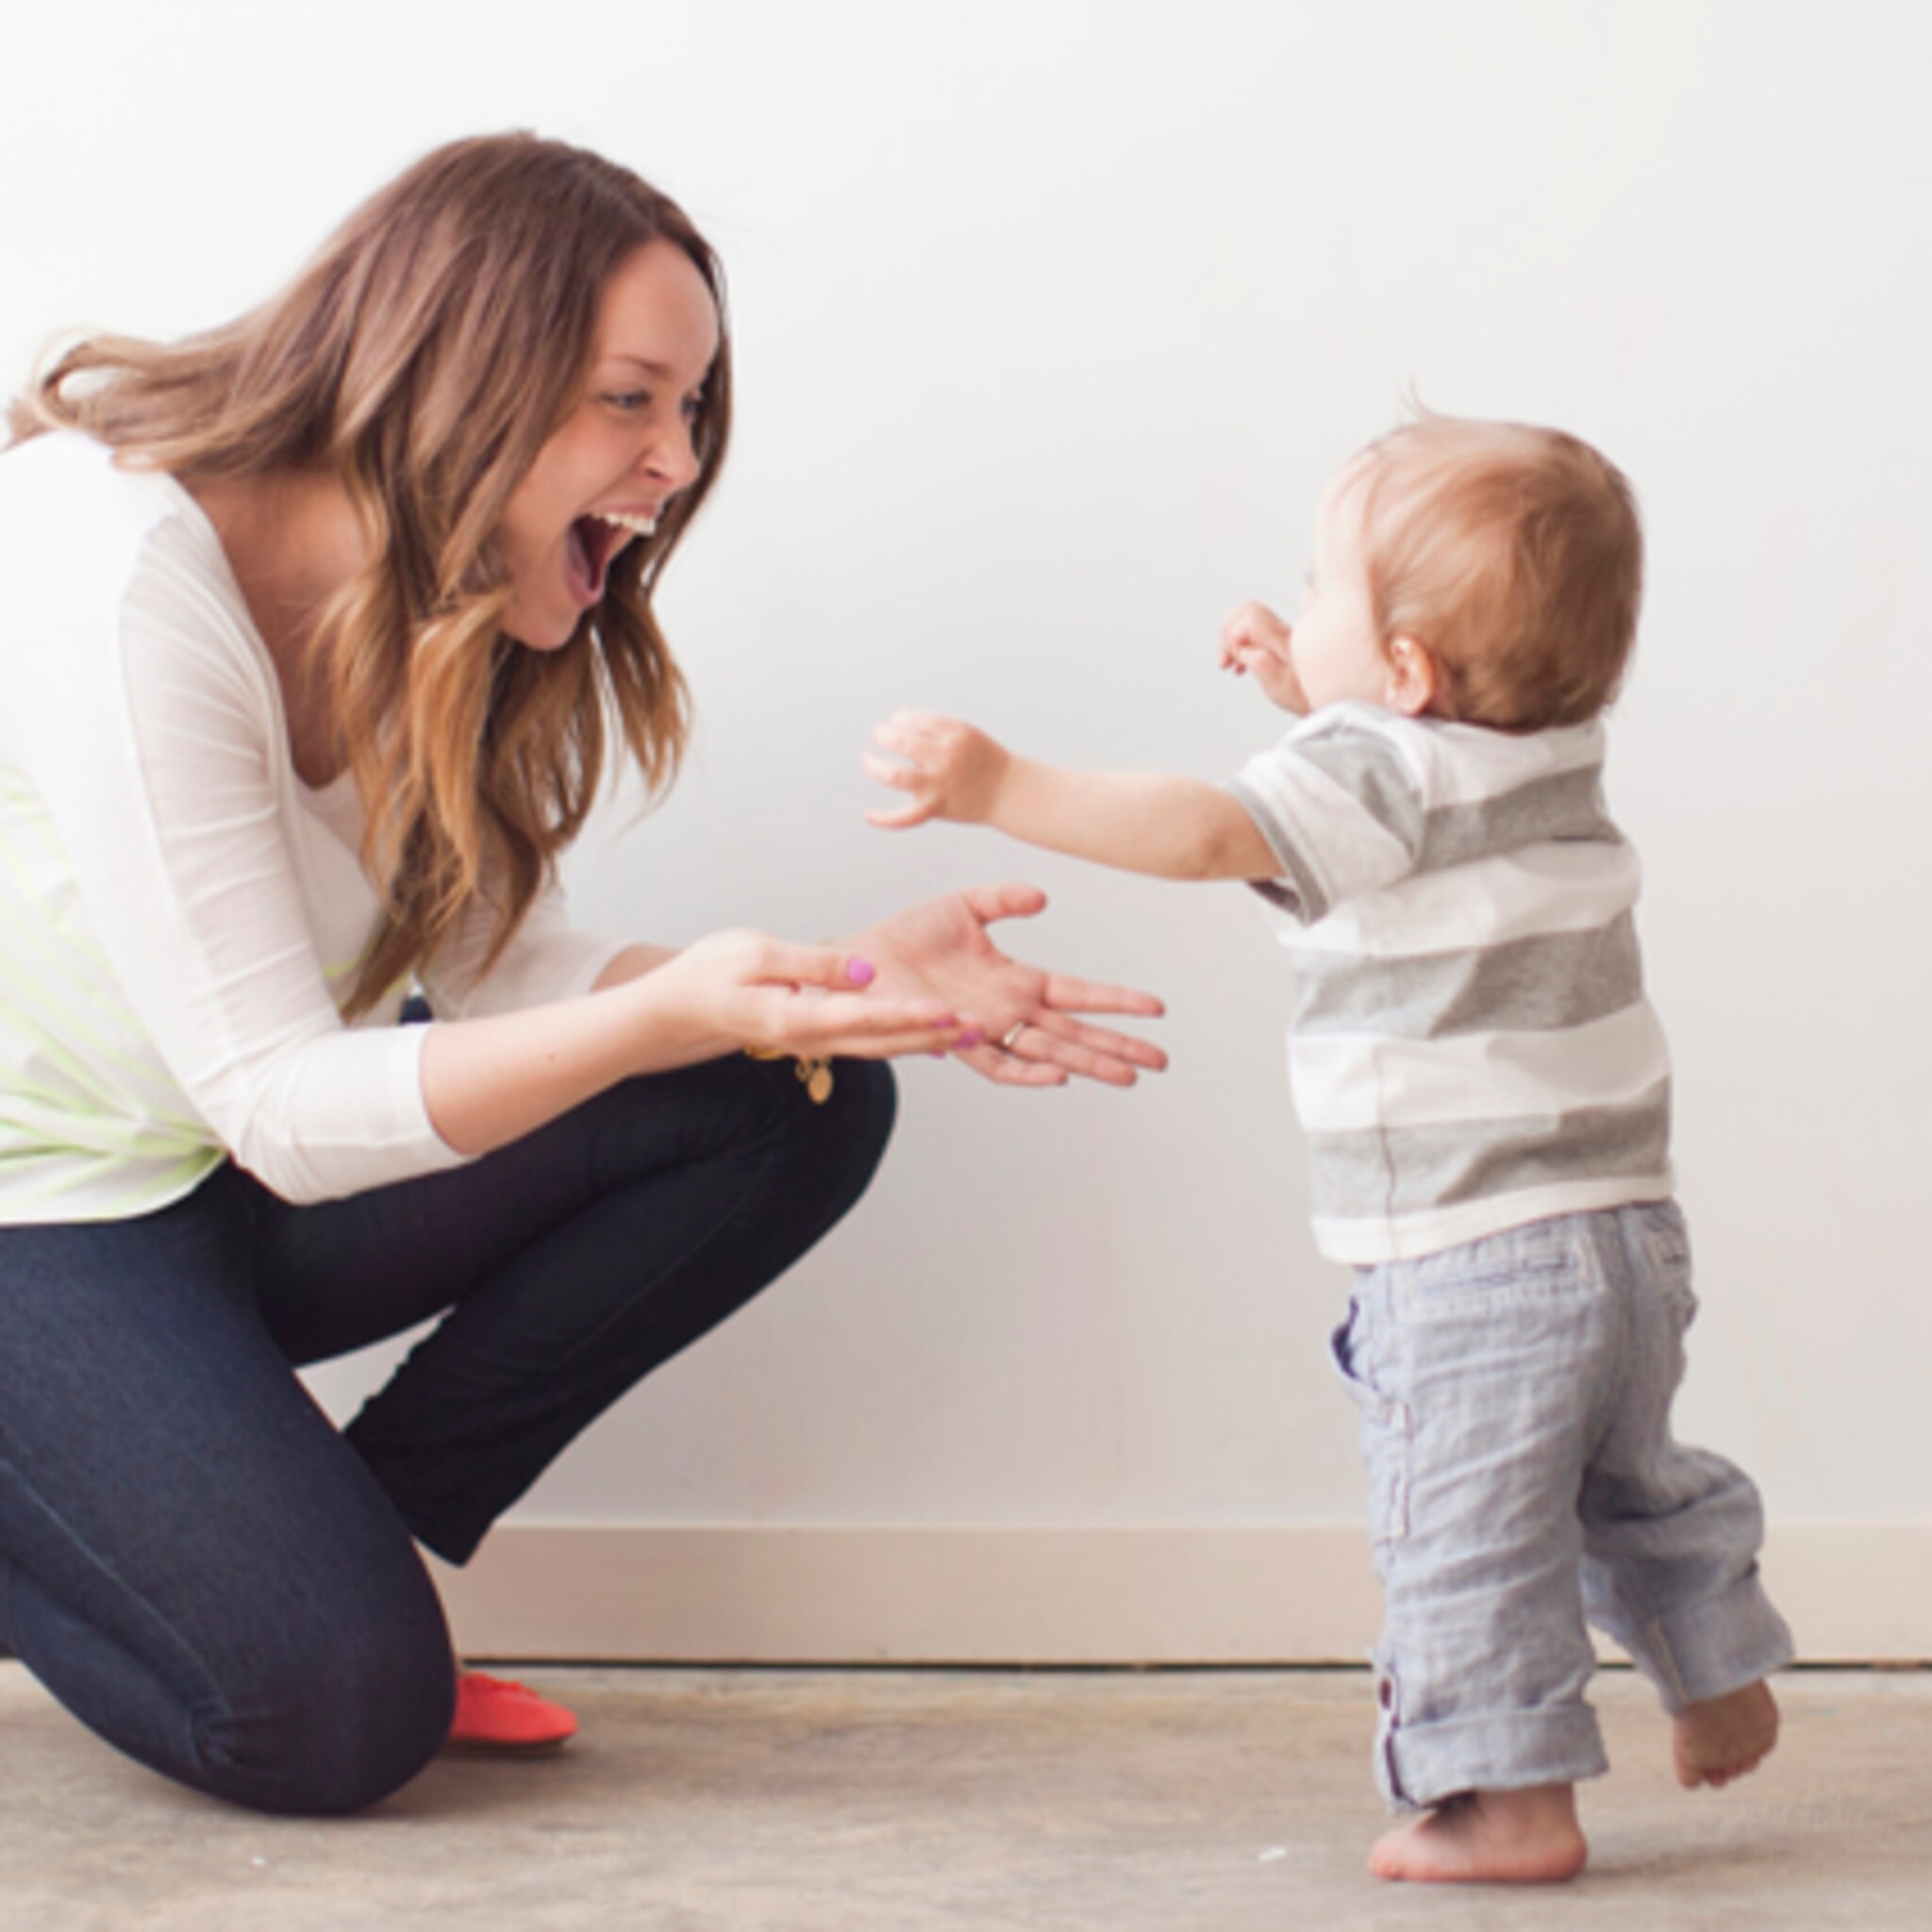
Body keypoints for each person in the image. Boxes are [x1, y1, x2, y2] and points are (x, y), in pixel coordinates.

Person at [0, 132, 1167, 1818]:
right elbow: (282, 1109)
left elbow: (493, 963)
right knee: (331, 1722)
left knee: (787, 1099)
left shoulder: (415, 591)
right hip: (43, 1218)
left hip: (189, 1186)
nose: (676, 460)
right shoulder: (111, 578)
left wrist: (832, 981)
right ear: (463, 358)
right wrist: (673, 1006)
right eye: (634, 399)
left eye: (690, 411)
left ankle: (333, 1536)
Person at [862, 413, 1794, 1885]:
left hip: (1469, 1258)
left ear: (1409, 672)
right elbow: (1402, 777)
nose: (1295, 605)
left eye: (1318, 587)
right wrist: (1313, 685)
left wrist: (1002, 786)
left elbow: (1209, 829)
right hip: (1628, 1237)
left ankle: (1508, 1801)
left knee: (1466, 1530)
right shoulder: (1547, 754)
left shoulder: (1381, 774)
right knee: (1624, 1477)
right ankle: (1718, 1656)